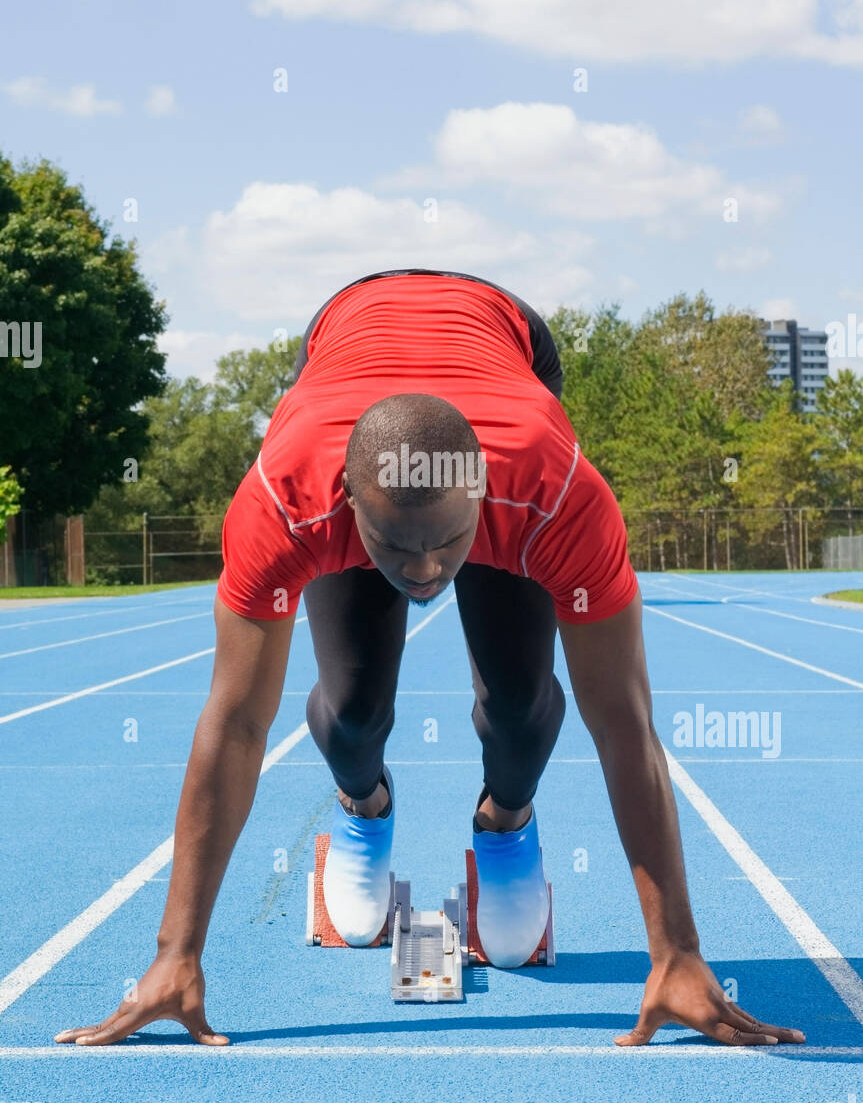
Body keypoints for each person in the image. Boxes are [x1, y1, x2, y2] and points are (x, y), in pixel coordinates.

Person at [55, 269, 805, 1049]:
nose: (422, 573)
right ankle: (362, 810)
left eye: (448, 544)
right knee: (350, 713)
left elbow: (623, 721)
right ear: (346, 501)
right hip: (339, 340)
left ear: (482, 491)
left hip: (509, 340)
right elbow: (237, 719)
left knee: (518, 704)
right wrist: (176, 955)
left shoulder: (557, 497)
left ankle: (504, 822)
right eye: (394, 545)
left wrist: (676, 953)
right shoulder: (286, 501)